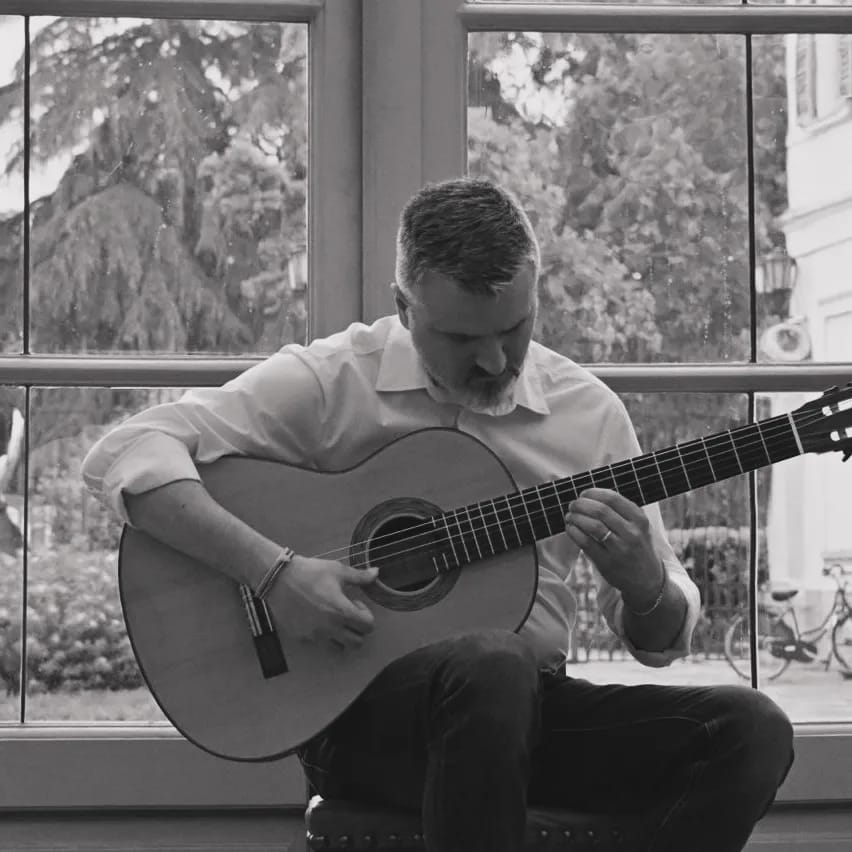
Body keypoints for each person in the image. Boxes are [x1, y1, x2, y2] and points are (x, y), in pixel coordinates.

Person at [81, 177, 794, 852]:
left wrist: (645, 586)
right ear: (403, 305)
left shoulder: (588, 414)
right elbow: (126, 451)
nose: (493, 360)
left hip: (534, 716)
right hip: (364, 727)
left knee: (750, 728)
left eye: (514, 328)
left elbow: (658, 639)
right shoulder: (333, 382)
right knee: (493, 663)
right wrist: (275, 574)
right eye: (461, 340)